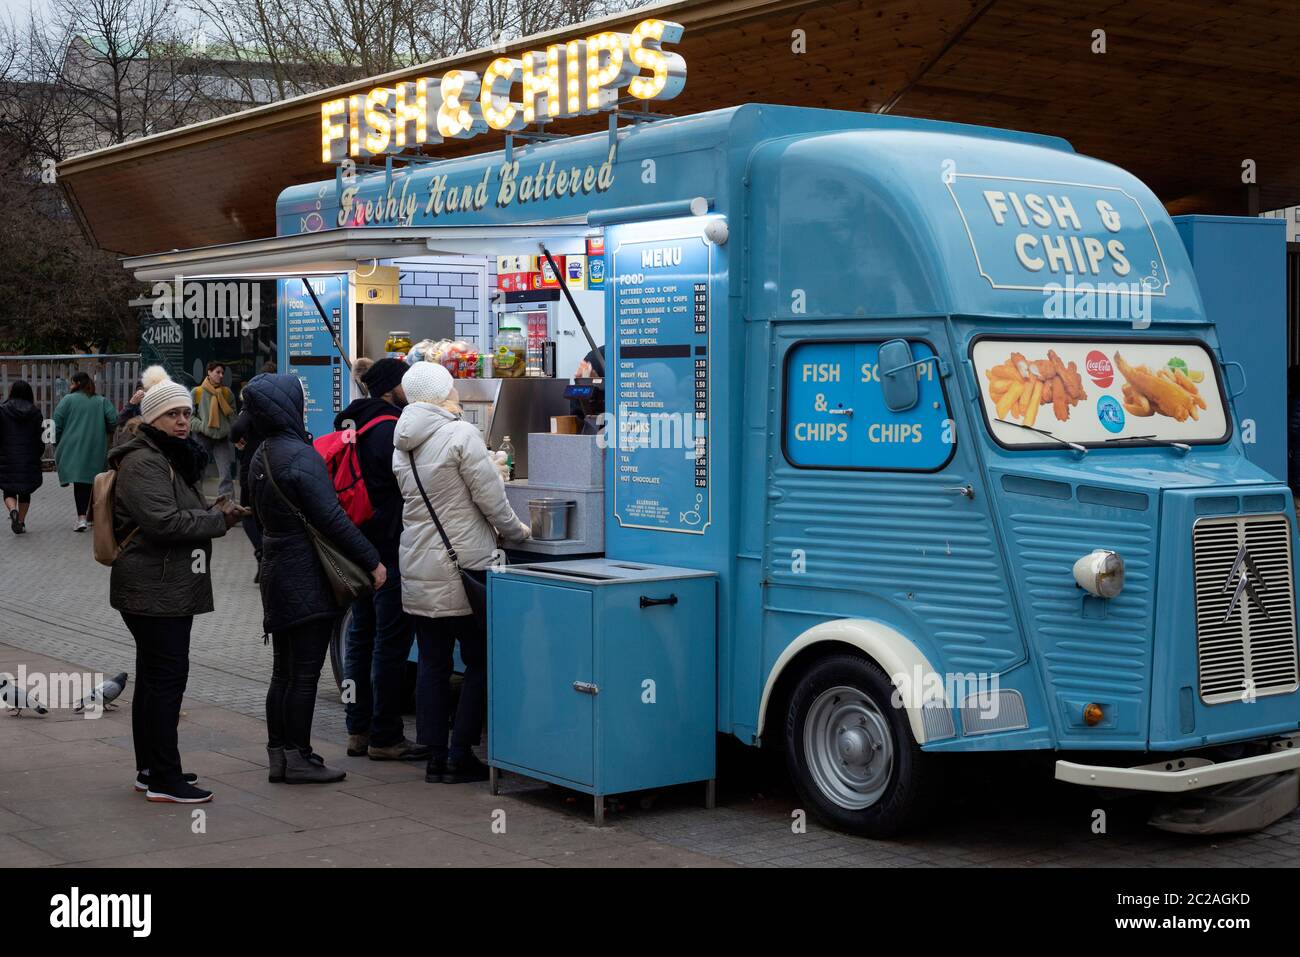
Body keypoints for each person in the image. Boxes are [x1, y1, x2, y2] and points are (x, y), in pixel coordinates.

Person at [108, 371, 243, 803]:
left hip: (161, 585)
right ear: (153, 418)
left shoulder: (166, 455)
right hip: (154, 588)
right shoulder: (144, 461)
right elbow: (163, 522)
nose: (183, 421)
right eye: (173, 414)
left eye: (186, 413)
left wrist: (211, 509)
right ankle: (165, 779)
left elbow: (173, 510)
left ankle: (152, 768)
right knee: (166, 681)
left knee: (153, 680)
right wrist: (217, 520)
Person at [393, 361, 530, 784]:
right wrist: (518, 531)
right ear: (441, 393)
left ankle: (435, 757)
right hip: (463, 565)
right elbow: (491, 498)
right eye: (451, 387)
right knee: (481, 659)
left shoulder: (403, 441)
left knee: (432, 663)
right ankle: (461, 753)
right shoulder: (460, 434)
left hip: (418, 561)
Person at [244, 373, 384, 785]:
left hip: (276, 568)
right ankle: (299, 756)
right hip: (305, 570)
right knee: (304, 674)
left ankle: (279, 755)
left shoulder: (261, 453)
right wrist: (372, 561)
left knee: (283, 672)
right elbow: (332, 518)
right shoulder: (301, 456)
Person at [334, 358, 426, 761]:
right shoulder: (391, 428)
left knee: (361, 635)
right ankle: (385, 736)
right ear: (391, 388)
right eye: (406, 383)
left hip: (358, 543)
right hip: (389, 547)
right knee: (390, 642)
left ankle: (358, 729)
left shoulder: (355, 421)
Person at [53, 371, 117, 531]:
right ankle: (95, 517)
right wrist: (106, 431)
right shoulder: (101, 401)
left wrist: (57, 443)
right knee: (96, 481)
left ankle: (81, 518)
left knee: (80, 483)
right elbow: (114, 419)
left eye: (71, 382)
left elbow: (56, 423)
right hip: (97, 446)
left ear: (76, 383)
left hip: (73, 447)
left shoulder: (67, 400)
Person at [0, 381, 45, 534]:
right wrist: (38, 453)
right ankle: (21, 521)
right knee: (25, 491)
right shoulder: (35, 412)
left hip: (7, 456)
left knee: (8, 489)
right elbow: (40, 437)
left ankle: (13, 510)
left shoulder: (3, 410)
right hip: (28, 456)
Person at [192, 361, 237, 498]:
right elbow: (189, 416)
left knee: (225, 472)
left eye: (222, 373)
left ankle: (227, 501)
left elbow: (232, 415)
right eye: (218, 372)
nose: (221, 375)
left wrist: (230, 431)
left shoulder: (227, 393)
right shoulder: (197, 392)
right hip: (202, 436)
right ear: (209, 372)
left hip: (221, 438)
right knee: (198, 470)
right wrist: (202, 426)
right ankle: (196, 499)